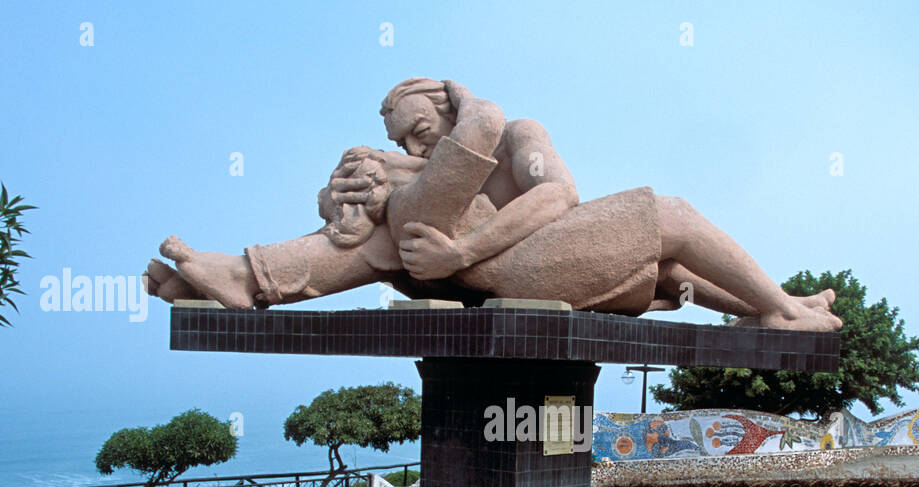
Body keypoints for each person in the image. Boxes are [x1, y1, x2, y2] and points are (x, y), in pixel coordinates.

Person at [145, 81, 840, 331]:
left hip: (530, 259)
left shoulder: (513, 136)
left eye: (421, 127)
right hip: (518, 275)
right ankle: (246, 277)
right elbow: (353, 219)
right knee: (670, 216)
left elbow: (558, 195)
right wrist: (343, 191)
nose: (417, 142)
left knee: (669, 243)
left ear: (448, 107)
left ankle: (776, 307)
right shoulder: (426, 185)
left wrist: (462, 252)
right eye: (404, 138)